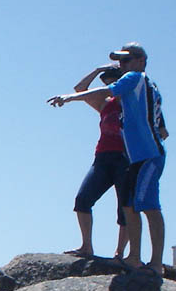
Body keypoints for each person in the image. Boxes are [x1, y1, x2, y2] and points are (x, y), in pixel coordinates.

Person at [49, 43, 168, 274]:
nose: (123, 66)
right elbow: (107, 95)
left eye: (127, 61)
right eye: (120, 62)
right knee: (130, 206)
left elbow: (106, 92)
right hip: (132, 157)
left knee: (149, 207)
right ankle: (133, 258)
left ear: (141, 61)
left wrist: (70, 98)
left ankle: (155, 264)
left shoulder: (136, 78)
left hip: (146, 154)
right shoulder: (140, 89)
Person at [59, 64, 129, 258]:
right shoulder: (104, 103)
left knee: (126, 207)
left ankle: (120, 253)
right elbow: (80, 90)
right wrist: (98, 69)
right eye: (106, 83)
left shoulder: (132, 102)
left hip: (126, 159)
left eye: (111, 82)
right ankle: (86, 246)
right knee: (83, 199)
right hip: (103, 156)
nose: (108, 86)